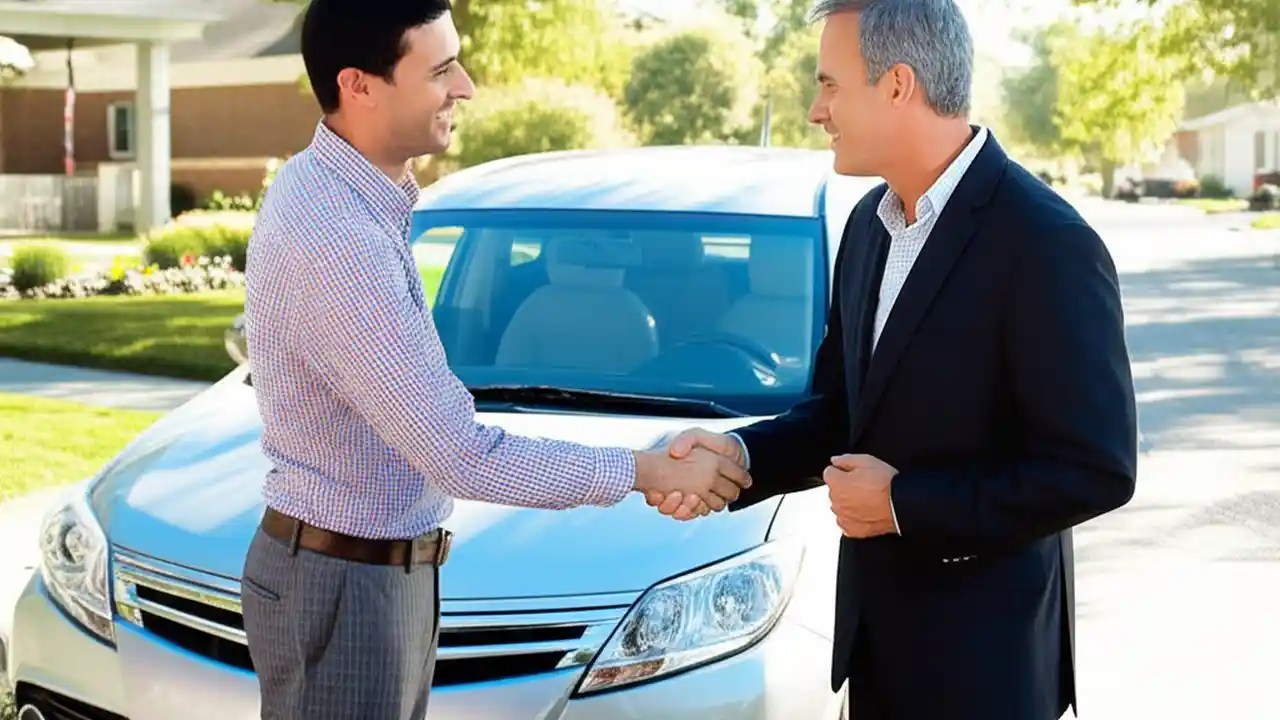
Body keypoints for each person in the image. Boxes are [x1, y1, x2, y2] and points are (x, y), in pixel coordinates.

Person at [239, 3, 747, 719]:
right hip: (347, 588)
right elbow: (458, 453)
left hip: (359, 571)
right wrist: (645, 469)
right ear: (359, 85)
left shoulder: (332, 192)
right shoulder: (340, 239)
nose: (467, 87)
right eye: (440, 69)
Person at [652, 0, 1138, 718]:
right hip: (877, 652)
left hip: (987, 672)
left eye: (828, 84)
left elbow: (1095, 468)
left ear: (899, 84)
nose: (817, 110)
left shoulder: (1045, 243)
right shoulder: (869, 227)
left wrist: (904, 504)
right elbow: (841, 413)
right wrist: (733, 456)